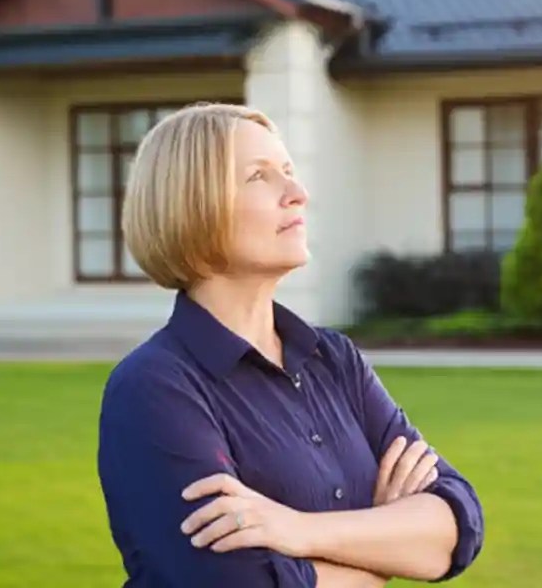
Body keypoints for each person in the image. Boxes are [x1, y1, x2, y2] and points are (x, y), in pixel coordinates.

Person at [96, 102, 485, 587]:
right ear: (192, 204)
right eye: (259, 177)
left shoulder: (335, 360)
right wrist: (384, 552)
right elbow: (240, 583)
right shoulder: (153, 389)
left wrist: (297, 532)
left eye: (289, 172)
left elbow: (458, 522)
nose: (297, 194)